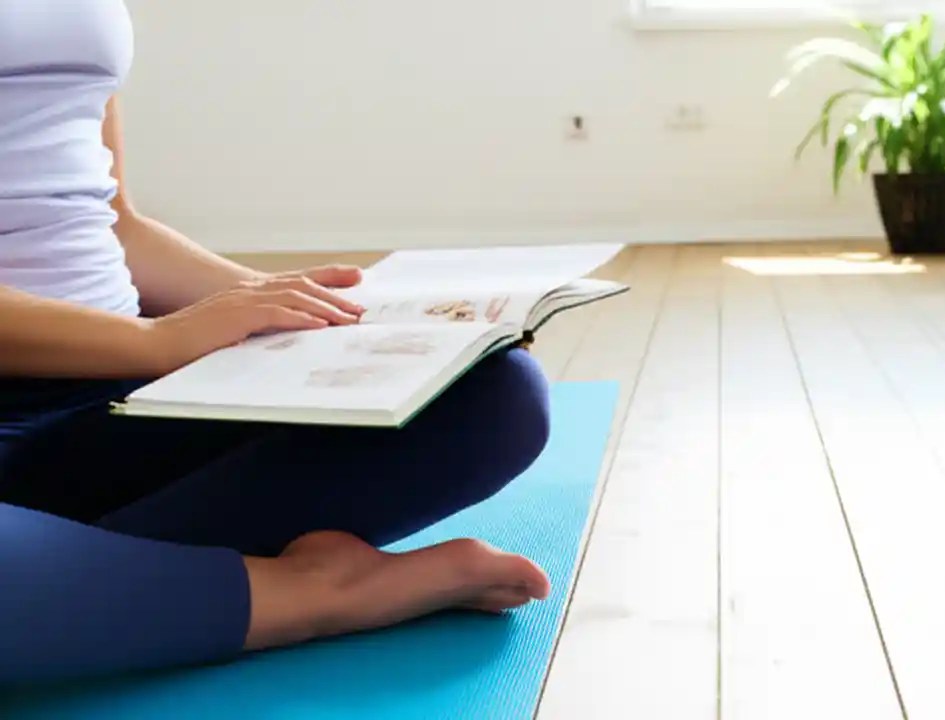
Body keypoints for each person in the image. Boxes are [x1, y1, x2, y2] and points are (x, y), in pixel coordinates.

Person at [0, 2, 553, 685]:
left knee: (491, 395)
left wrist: (307, 312)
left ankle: (106, 581)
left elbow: (114, 223)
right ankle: (316, 594)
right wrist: (156, 341)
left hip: (114, 403)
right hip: (109, 368)